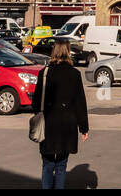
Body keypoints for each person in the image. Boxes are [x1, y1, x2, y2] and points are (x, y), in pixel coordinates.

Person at [32, 39, 88, 188]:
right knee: (62, 165)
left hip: (48, 123)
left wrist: (39, 113)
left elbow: (36, 102)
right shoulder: (74, 74)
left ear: (54, 51)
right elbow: (80, 103)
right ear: (68, 52)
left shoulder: (44, 73)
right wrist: (84, 128)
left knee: (48, 164)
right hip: (67, 124)